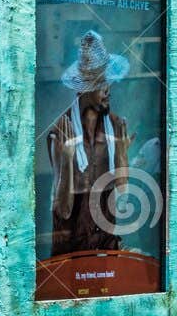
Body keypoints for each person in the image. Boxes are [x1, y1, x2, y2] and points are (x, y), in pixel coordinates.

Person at [46, 30, 133, 255]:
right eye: (102, 83)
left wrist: (122, 155)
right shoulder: (62, 131)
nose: (108, 90)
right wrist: (66, 160)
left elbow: (122, 203)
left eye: (109, 82)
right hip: (71, 255)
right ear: (86, 88)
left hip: (106, 251)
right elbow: (63, 211)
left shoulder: (115, 126)